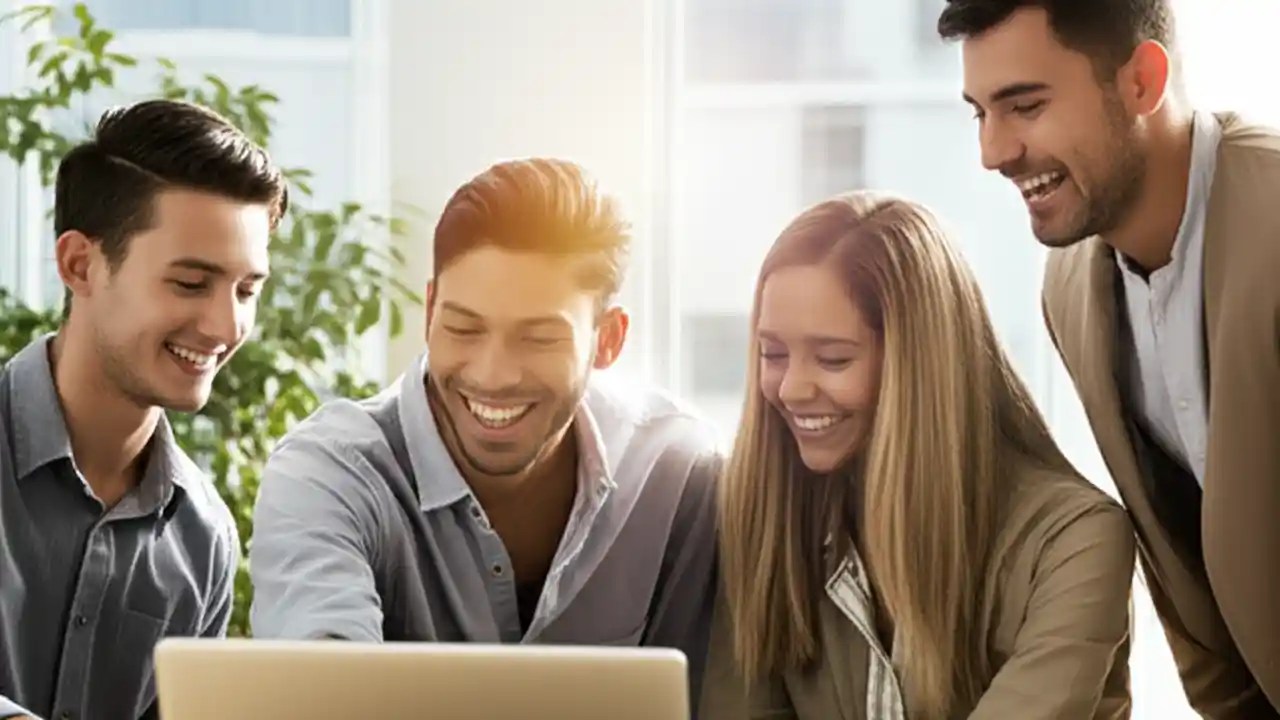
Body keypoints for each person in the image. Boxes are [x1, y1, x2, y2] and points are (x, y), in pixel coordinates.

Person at [249, 158, 722, 703]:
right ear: (430, 312)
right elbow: (320, 694)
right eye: (463, 328)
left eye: (539, 339)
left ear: (608, 340)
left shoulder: (678, 470)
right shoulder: (330, 475)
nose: (492, 375)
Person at [937, 0, 1280, 715]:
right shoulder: (1070, 291)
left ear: (1141, 82)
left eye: (1024, 106)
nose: (993, 152)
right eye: (980, 113)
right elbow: (1190, 578)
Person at [698, 192, 1135, 719]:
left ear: (922, 367)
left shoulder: (1075, 542)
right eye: (773, 354)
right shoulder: (765, 519)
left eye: (833, 359)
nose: (790, 389)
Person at [0, 100, 287, 720]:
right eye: (190, 283)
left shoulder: (204, 538)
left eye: (247, 291)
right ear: (81, 264)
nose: (225, 325)